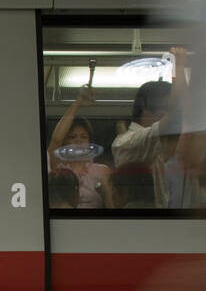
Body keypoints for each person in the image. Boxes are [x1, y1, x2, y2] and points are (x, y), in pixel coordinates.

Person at [111, 52, 188, 207]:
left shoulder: (155, 142)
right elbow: (175, 112)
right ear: (147, 109)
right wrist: (178, 67)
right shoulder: (128, 142)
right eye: (166, 107)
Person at [47, 87, 113, 208]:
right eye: (72, 137)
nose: (78, 141)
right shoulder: (58, 168)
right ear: (64, 143)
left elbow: (112, 205)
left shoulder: (102, 171)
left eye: (83, 137)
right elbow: (56, 139)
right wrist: (77, 103)